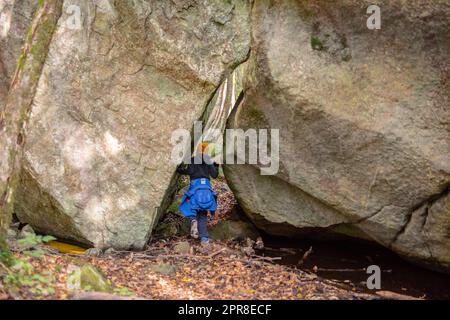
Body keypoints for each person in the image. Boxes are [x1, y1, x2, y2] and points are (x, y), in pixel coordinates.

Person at [177, 143, 219, 245]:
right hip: (206, 188)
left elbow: (189, 171)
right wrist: (216, 166)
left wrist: (178, 169)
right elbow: (214, 175)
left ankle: (193, 221)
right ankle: (204, 239)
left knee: (192, 207)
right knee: (203, 213)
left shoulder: (193, 159)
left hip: (195, 186)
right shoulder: (209, 160)